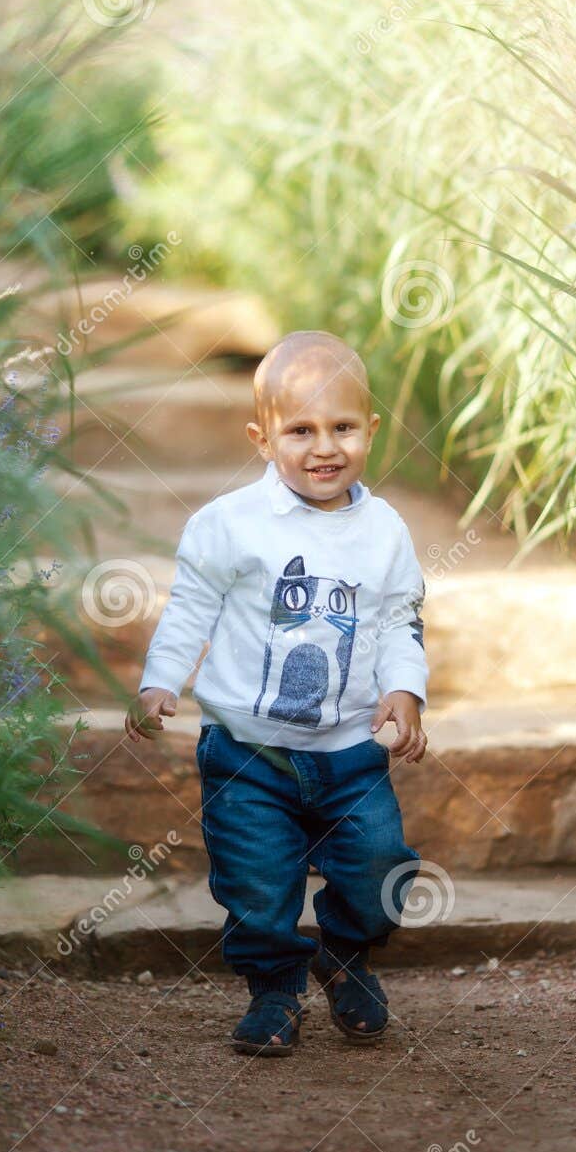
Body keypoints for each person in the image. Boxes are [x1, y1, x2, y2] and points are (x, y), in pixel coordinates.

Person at [124, 330, 428, 1056]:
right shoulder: (230, 526)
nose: (323, 448)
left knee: (381, 864)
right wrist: (161, 678)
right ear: (262, 439)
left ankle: (344, 953)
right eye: (300, 431)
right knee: (257, 883)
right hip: (246, 754)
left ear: (371, 430)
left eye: (342, 428)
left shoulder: (383, 531)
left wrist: (404, 690)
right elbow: (190, 607)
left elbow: (396, 618)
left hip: (351, 750)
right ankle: (275, 988)